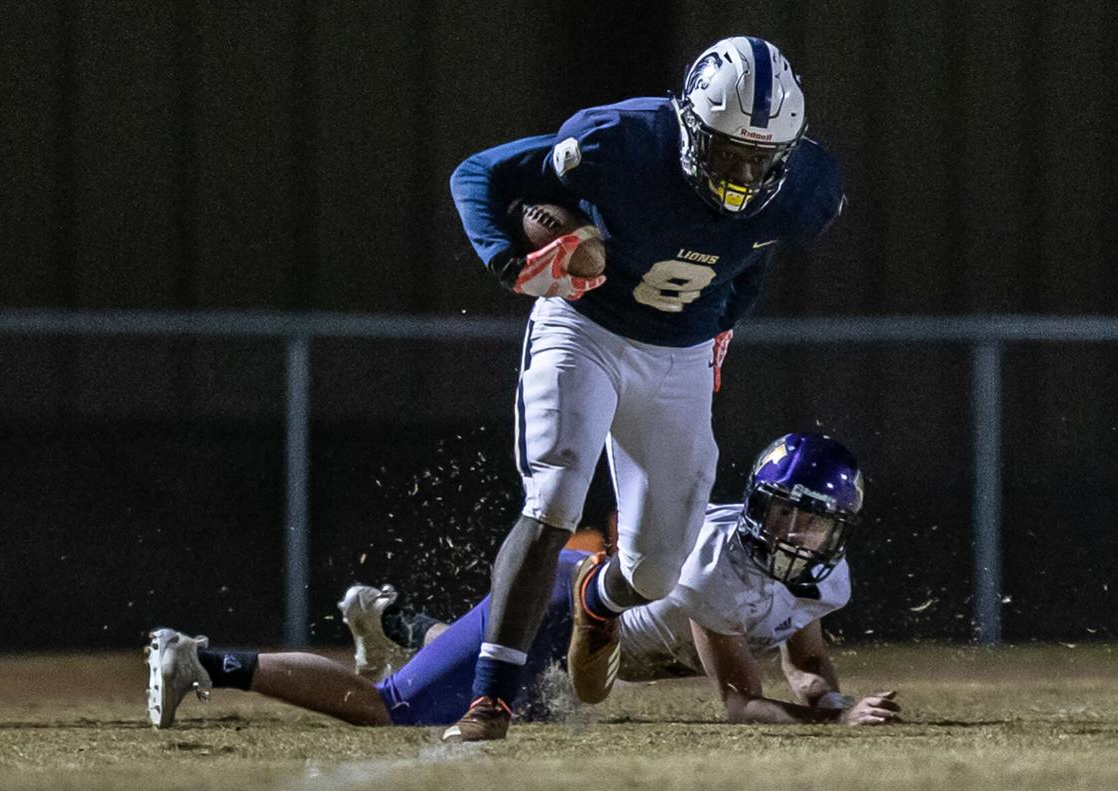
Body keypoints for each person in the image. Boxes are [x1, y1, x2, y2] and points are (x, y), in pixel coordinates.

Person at [445, 36, 845, 739]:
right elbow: (479, 173)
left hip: (680, 354)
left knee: (658, 573)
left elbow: (751, 255)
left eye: (760, 159)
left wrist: (723, 324)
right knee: (556, 494)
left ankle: (597, 601)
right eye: (728, 152)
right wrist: (510, 262)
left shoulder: (805, 187)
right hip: (586, 326)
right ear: (689, 125)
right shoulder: (618, 141)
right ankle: (491, 698)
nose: (743, 173)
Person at [146, 434, 901, 731]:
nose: (790, 532)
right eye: (779, 513)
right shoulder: (713, 560)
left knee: (517, 695)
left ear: (836, 530)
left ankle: (391, 618)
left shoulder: (822, 576)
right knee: (392, 708)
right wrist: (832, 723)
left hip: (585, 650)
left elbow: (803, 662)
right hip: (563, 605)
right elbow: (738, 700)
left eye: (809, 523)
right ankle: (200, 658)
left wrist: (833, 695)